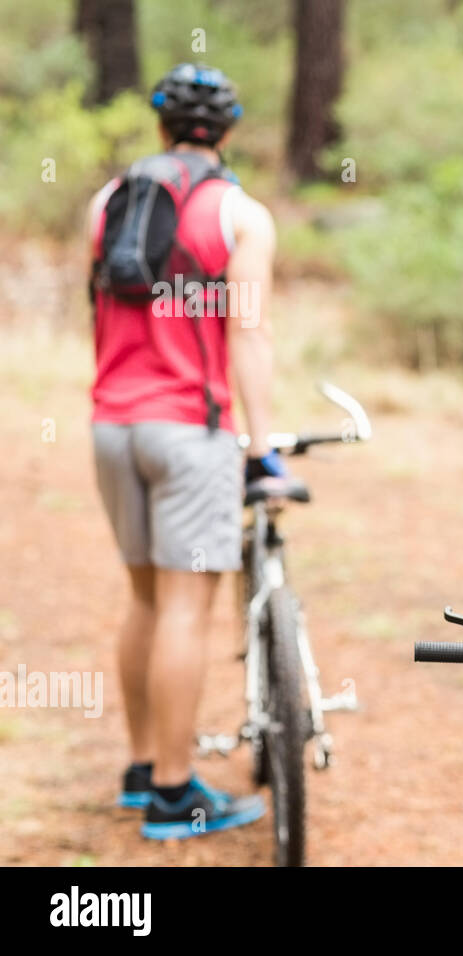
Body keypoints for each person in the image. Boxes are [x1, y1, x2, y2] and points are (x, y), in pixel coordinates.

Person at [86, 63, 291, 839]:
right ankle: (176, 794)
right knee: (184, 606)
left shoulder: (106, 204)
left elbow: (96, 312)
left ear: (161, 124)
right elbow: (251, 332)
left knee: (142, 596)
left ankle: (143, 769)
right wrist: (260, 445)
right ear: (229, 130)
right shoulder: (241, 215)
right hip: (191, 429)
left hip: (113, 423)